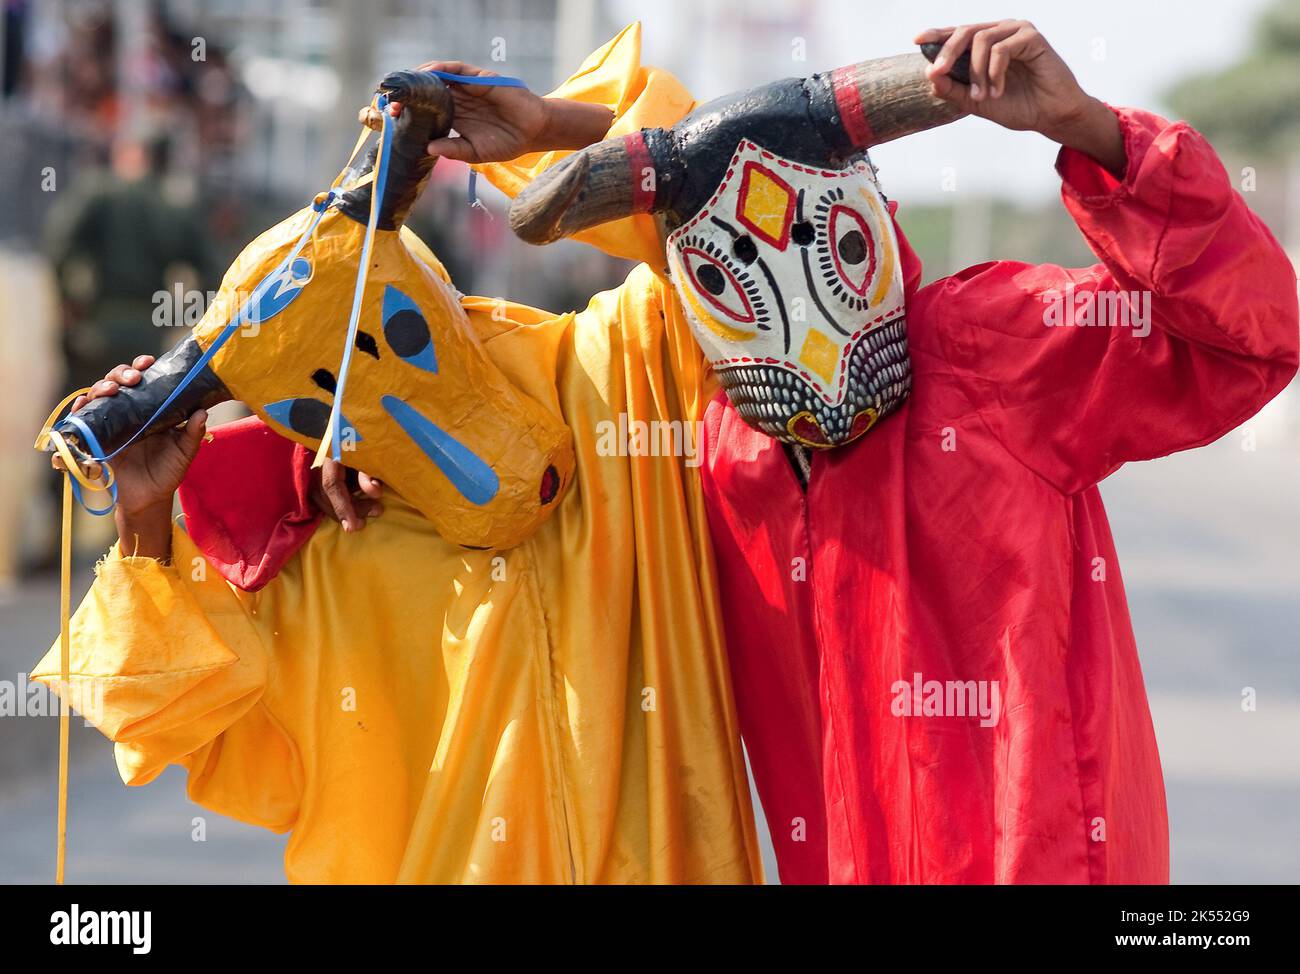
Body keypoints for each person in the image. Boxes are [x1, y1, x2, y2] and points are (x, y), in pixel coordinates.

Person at [401, 21, 1299, 882]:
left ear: (869, 210)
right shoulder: (713, 451)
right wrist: (352, 465)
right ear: (688, 290)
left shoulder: (997, 349)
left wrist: (1091, 132)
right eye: (728, 279)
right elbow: (513, 471)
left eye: (825, 248)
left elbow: (1249, 337)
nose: (805, 319)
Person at [33, 33, 761, 884]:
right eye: (324, 388)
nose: (378, 387)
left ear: (456, 302)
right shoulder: (308, 558)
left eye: (399, 331)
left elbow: (752, 215)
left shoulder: (620, 381)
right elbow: (179, 727)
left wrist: (553, 128)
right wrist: (145, 516)